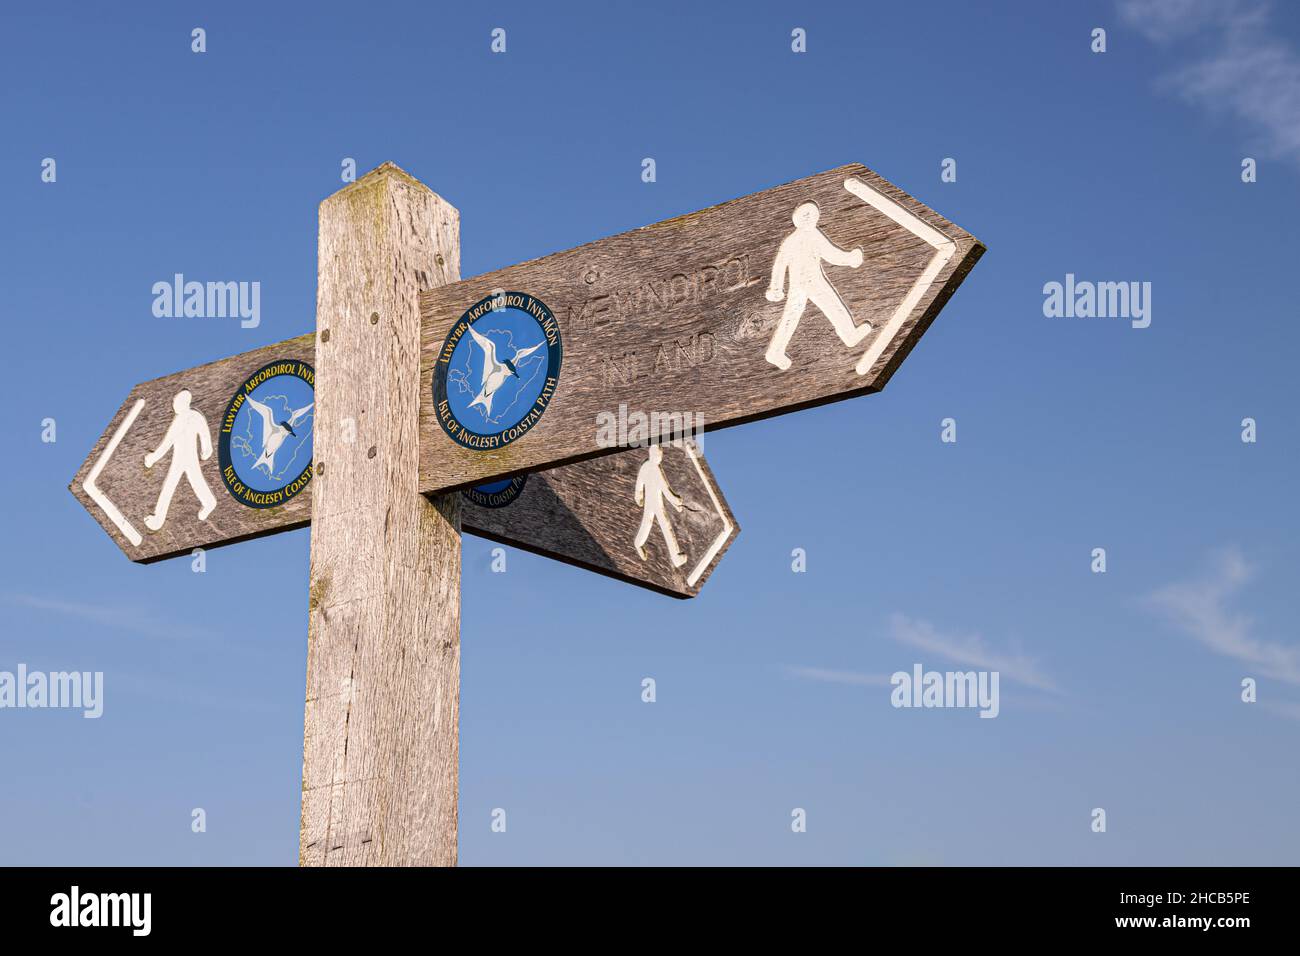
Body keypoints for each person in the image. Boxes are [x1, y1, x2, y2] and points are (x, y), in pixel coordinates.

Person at [764, 201, 872, 370]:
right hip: (799, 285)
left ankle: (850, 334)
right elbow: (780, 264)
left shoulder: (815, 234)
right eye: (804, 215)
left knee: (833, 305)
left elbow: (831, 254)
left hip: (816, 281)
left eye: (812, 214)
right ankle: (775, 352)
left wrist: (849, 258)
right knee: (792, 316)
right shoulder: (791, 241)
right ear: (796, 219)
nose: (808, 218)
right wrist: (776, 287)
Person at [143, 389, 216, 531]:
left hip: (181, 459)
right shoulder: (195, 416)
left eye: (175, 402)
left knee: (170, 485)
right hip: (188, 458)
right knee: (195, 480)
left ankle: (158, 520)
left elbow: (166, 443)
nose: (173, 404)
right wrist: (207, 450)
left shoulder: (181, 419)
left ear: (183, 403)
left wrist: (152, 458)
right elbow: (205, 434)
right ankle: (209, 502)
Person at [634, 445, 688, 568]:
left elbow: (640, 485)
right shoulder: (652, 468)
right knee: (664, 527)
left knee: (647, 525)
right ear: (652, 455)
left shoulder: (646, 466)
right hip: (654, 504)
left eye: (660, 456)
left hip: (653, 503)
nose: (659, 458)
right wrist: (676, 500)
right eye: (658, 456)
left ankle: (638, 544)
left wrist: (638, 495)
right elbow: (665, 490)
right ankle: (675, 558)